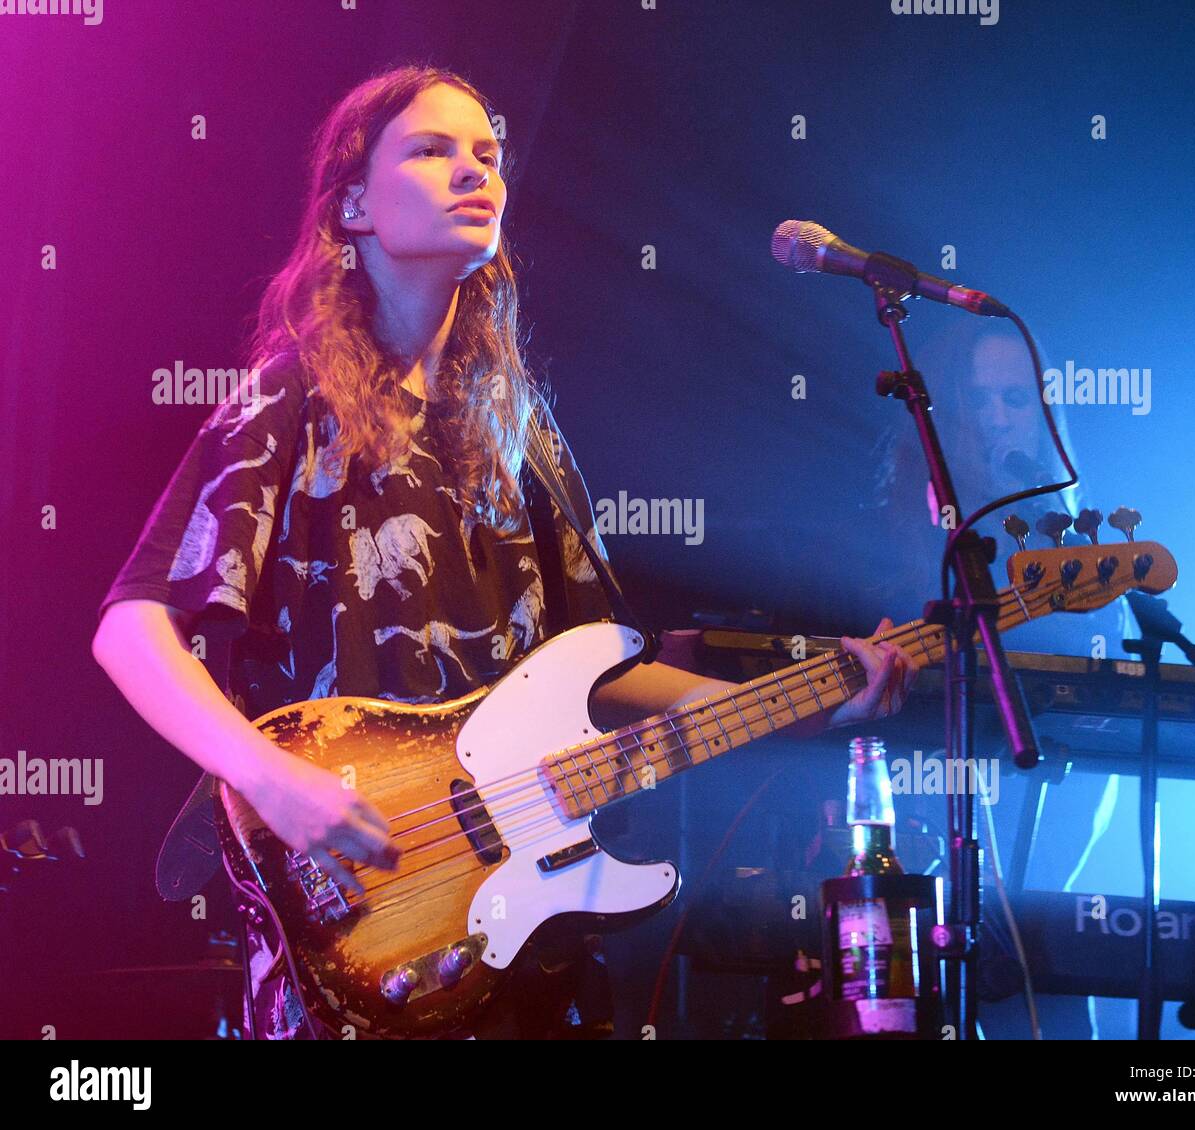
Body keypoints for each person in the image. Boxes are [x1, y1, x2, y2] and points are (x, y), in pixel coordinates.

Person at [91, 63, 919, 1039]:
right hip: (355, 911)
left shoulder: (519, 430)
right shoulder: (293, 399)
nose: (473, 169)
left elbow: (610, 675)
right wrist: (269, 779)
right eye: (432, 151)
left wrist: (802, 706)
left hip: (527, 944)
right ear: (352, 205)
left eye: (486, 152)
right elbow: (132, 628)